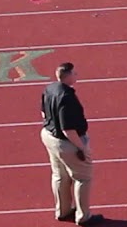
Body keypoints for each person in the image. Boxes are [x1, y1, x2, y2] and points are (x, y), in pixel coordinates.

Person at [40, 62, 103, 225]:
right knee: (83, 178)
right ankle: (83, 216)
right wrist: (81, 148)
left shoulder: (50, 88)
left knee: (59, 175)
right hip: (67, 142)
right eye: (74, 73)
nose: (77, 75)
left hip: (49, 135)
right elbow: (68, 129)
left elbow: (42, 112)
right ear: (67, 76)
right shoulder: (67, 97)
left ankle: (63, 210)